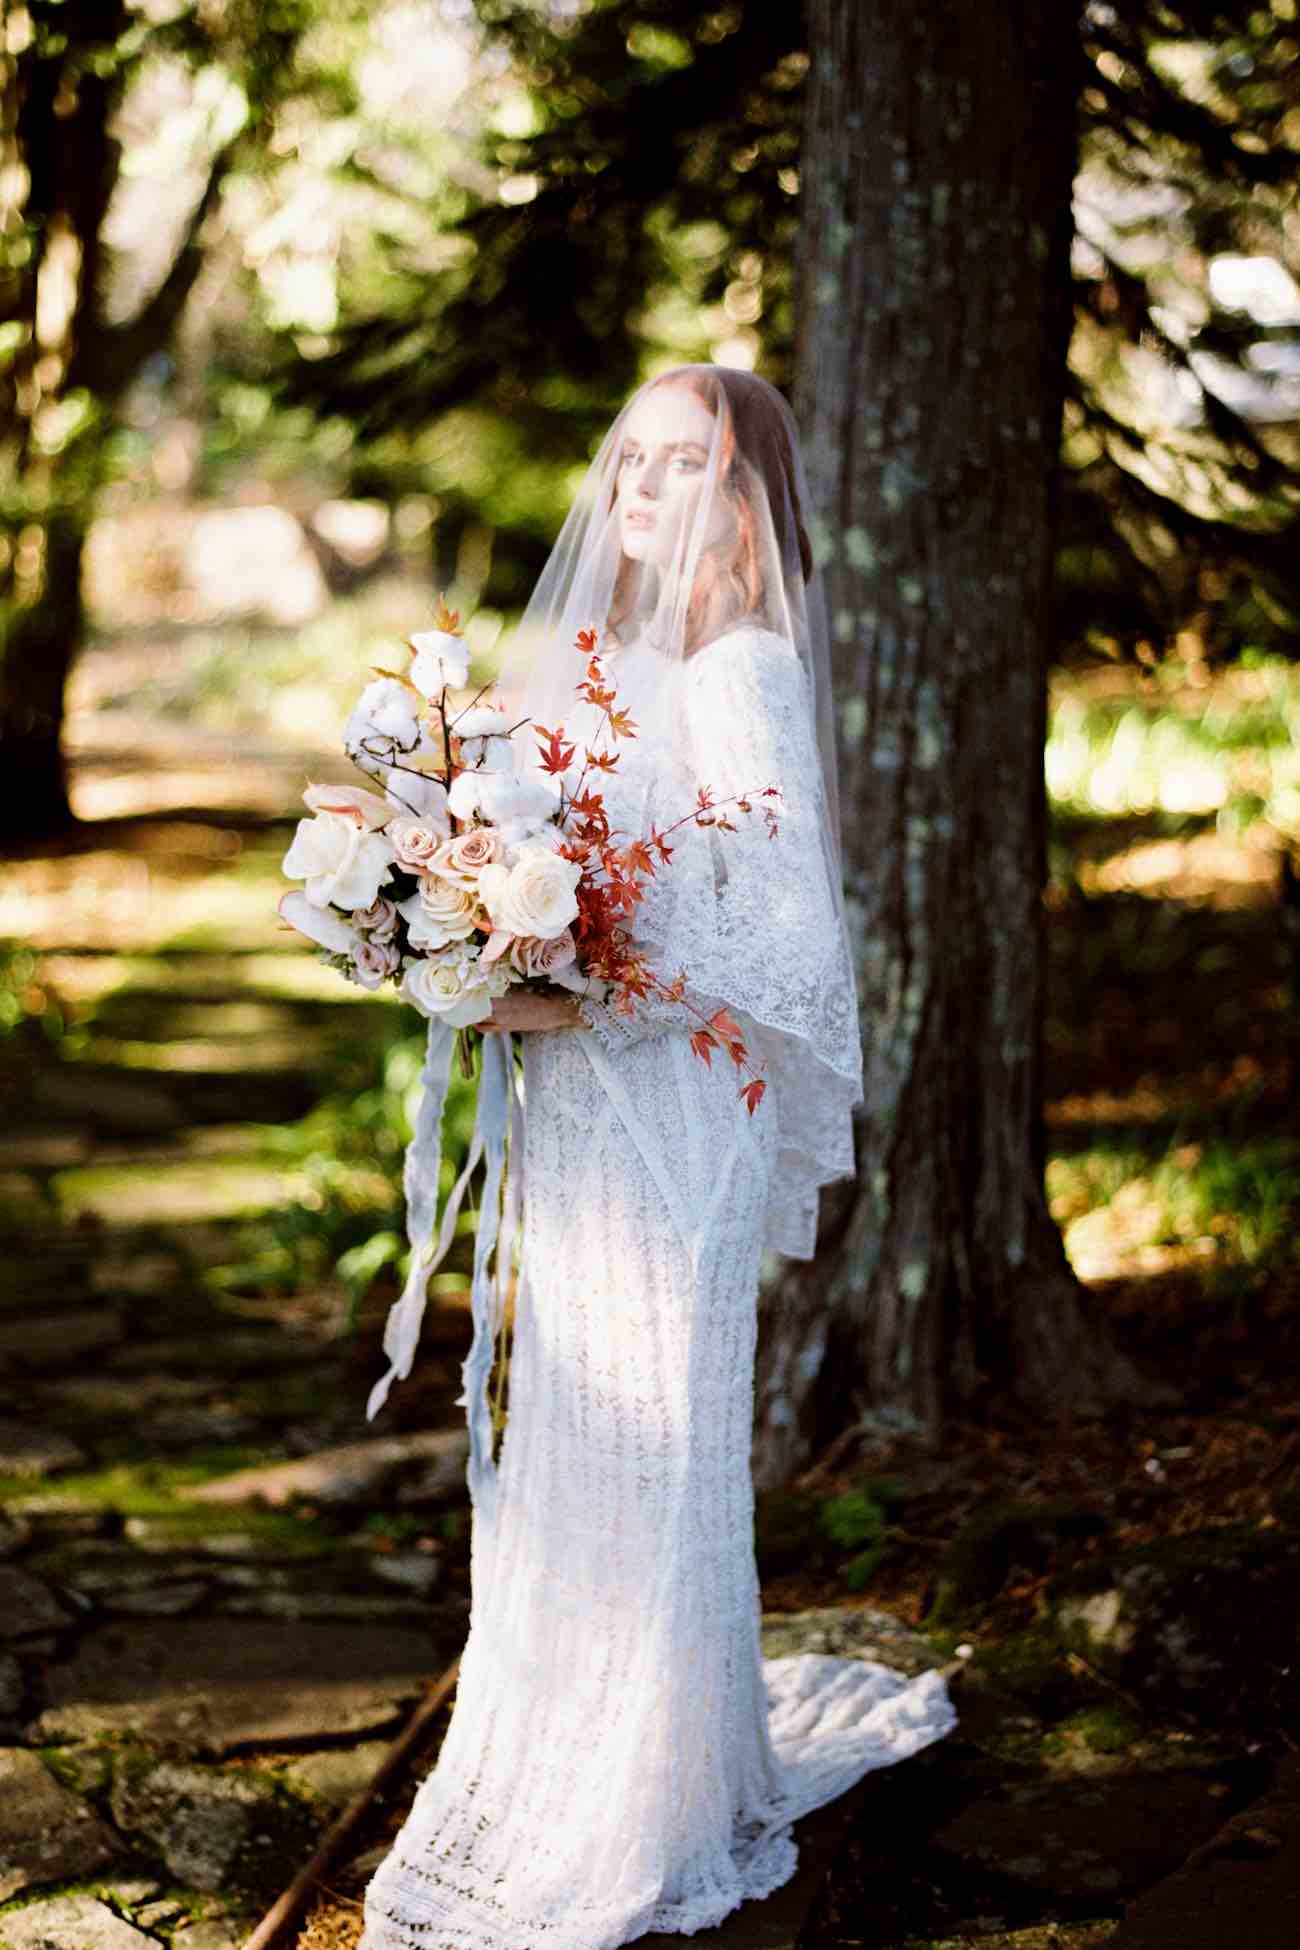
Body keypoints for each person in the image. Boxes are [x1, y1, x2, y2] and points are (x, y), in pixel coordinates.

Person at [358, 364, 957, 1950]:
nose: (639, 484)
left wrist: (582, 973)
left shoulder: (744, 672)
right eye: (627, 455)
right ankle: (585, 1746)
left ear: (745, 505)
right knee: (579, 1423)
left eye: (681, 462)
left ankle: (651, 1802)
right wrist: (458, 922)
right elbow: (554, 868)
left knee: (665, 1432)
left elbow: (787, 941)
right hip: (584, 1108)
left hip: (675, 1106)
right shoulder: (601, 660)